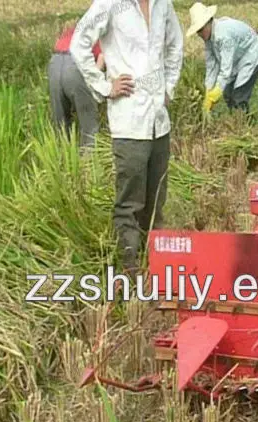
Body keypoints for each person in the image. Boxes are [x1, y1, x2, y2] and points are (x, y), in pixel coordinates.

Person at [71, 0, 184, 276]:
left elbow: (175, 46)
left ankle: (156, 266)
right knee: (130, 203)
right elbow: (79, 43)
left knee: (157, 198)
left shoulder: (162, 4)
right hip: (129, 121)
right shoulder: (110, 4)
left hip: (158, 121)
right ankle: (131, 271)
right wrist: (105, 86)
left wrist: (169, 87)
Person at [186, 2, 258, 114]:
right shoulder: (209, 39)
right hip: (238, 59)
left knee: (239, 96)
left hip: (251, 55)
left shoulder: (223, 35)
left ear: (209, 22)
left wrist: (217, 90)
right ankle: (235, 119)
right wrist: (208, 91)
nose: (199, 34)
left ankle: (245, 124)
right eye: (197, 31)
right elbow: (211, 66)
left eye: (200, 29)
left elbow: (225, 68)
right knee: (228, 94)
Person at [48, 22, 106, 148]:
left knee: (60, 121)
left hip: (54, 63)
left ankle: (61, 157)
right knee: (88, 122)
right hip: (76, 65)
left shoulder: (72, 30)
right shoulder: (102, 33)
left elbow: (56, 45)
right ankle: (88, 162)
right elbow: (100, 62)